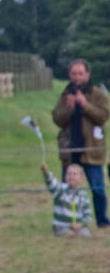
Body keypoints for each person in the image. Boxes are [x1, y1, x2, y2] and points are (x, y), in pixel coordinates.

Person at [51, 59, 109, 228]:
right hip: (70, 149)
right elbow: (57, 120)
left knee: (97, 188)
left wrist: (85, 105)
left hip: (92, 149)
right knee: (66, 190)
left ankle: (102, 221)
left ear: (87, 75)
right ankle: (67, 221)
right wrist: (68, 108)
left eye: (80, 73)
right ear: (70, 75)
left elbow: (104, 116)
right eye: (74, 73)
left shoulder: (97, 94)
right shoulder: (65, 95)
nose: (77, 77)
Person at [40, 161, 92, 236]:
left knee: (86, 234)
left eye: (75, 174)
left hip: (78, 226)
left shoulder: (83, 194)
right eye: (69, 173)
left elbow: (87, 215)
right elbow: (51, 183)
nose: (71, 176)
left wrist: (80, 224)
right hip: (61, 226)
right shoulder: (60, 189)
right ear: (65, 176)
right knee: (68, 234)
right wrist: (45, 173)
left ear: (81, 178)